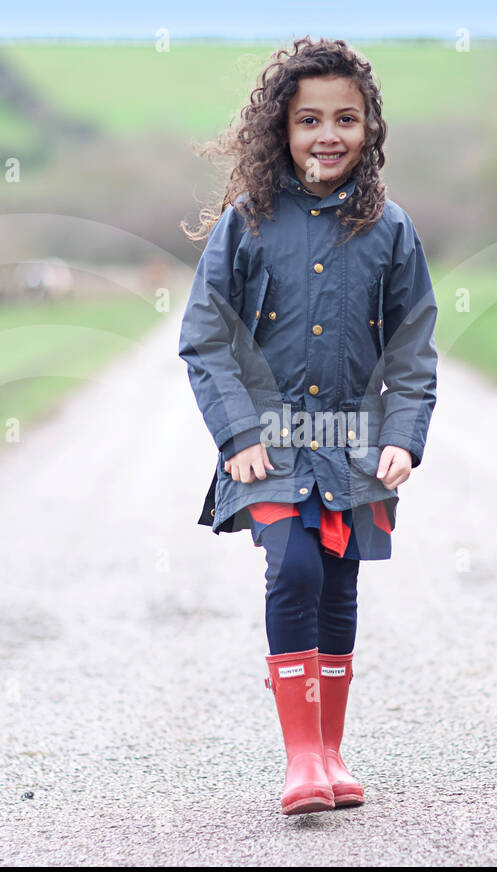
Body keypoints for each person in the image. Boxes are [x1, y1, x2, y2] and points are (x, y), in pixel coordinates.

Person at [178, 37, 439, 815]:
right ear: (281, 131)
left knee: (337, 584)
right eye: (309, 120)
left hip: (355, 449)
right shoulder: (247, 223)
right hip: (269, 448)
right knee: (292, 569)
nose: (328, 134)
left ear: (370, 130)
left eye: (346, 119)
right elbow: (206, 337)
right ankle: (299, 760)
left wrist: (403, 432)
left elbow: (412, 344)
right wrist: (239, 435)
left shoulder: (391, 230)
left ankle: (329, 751)